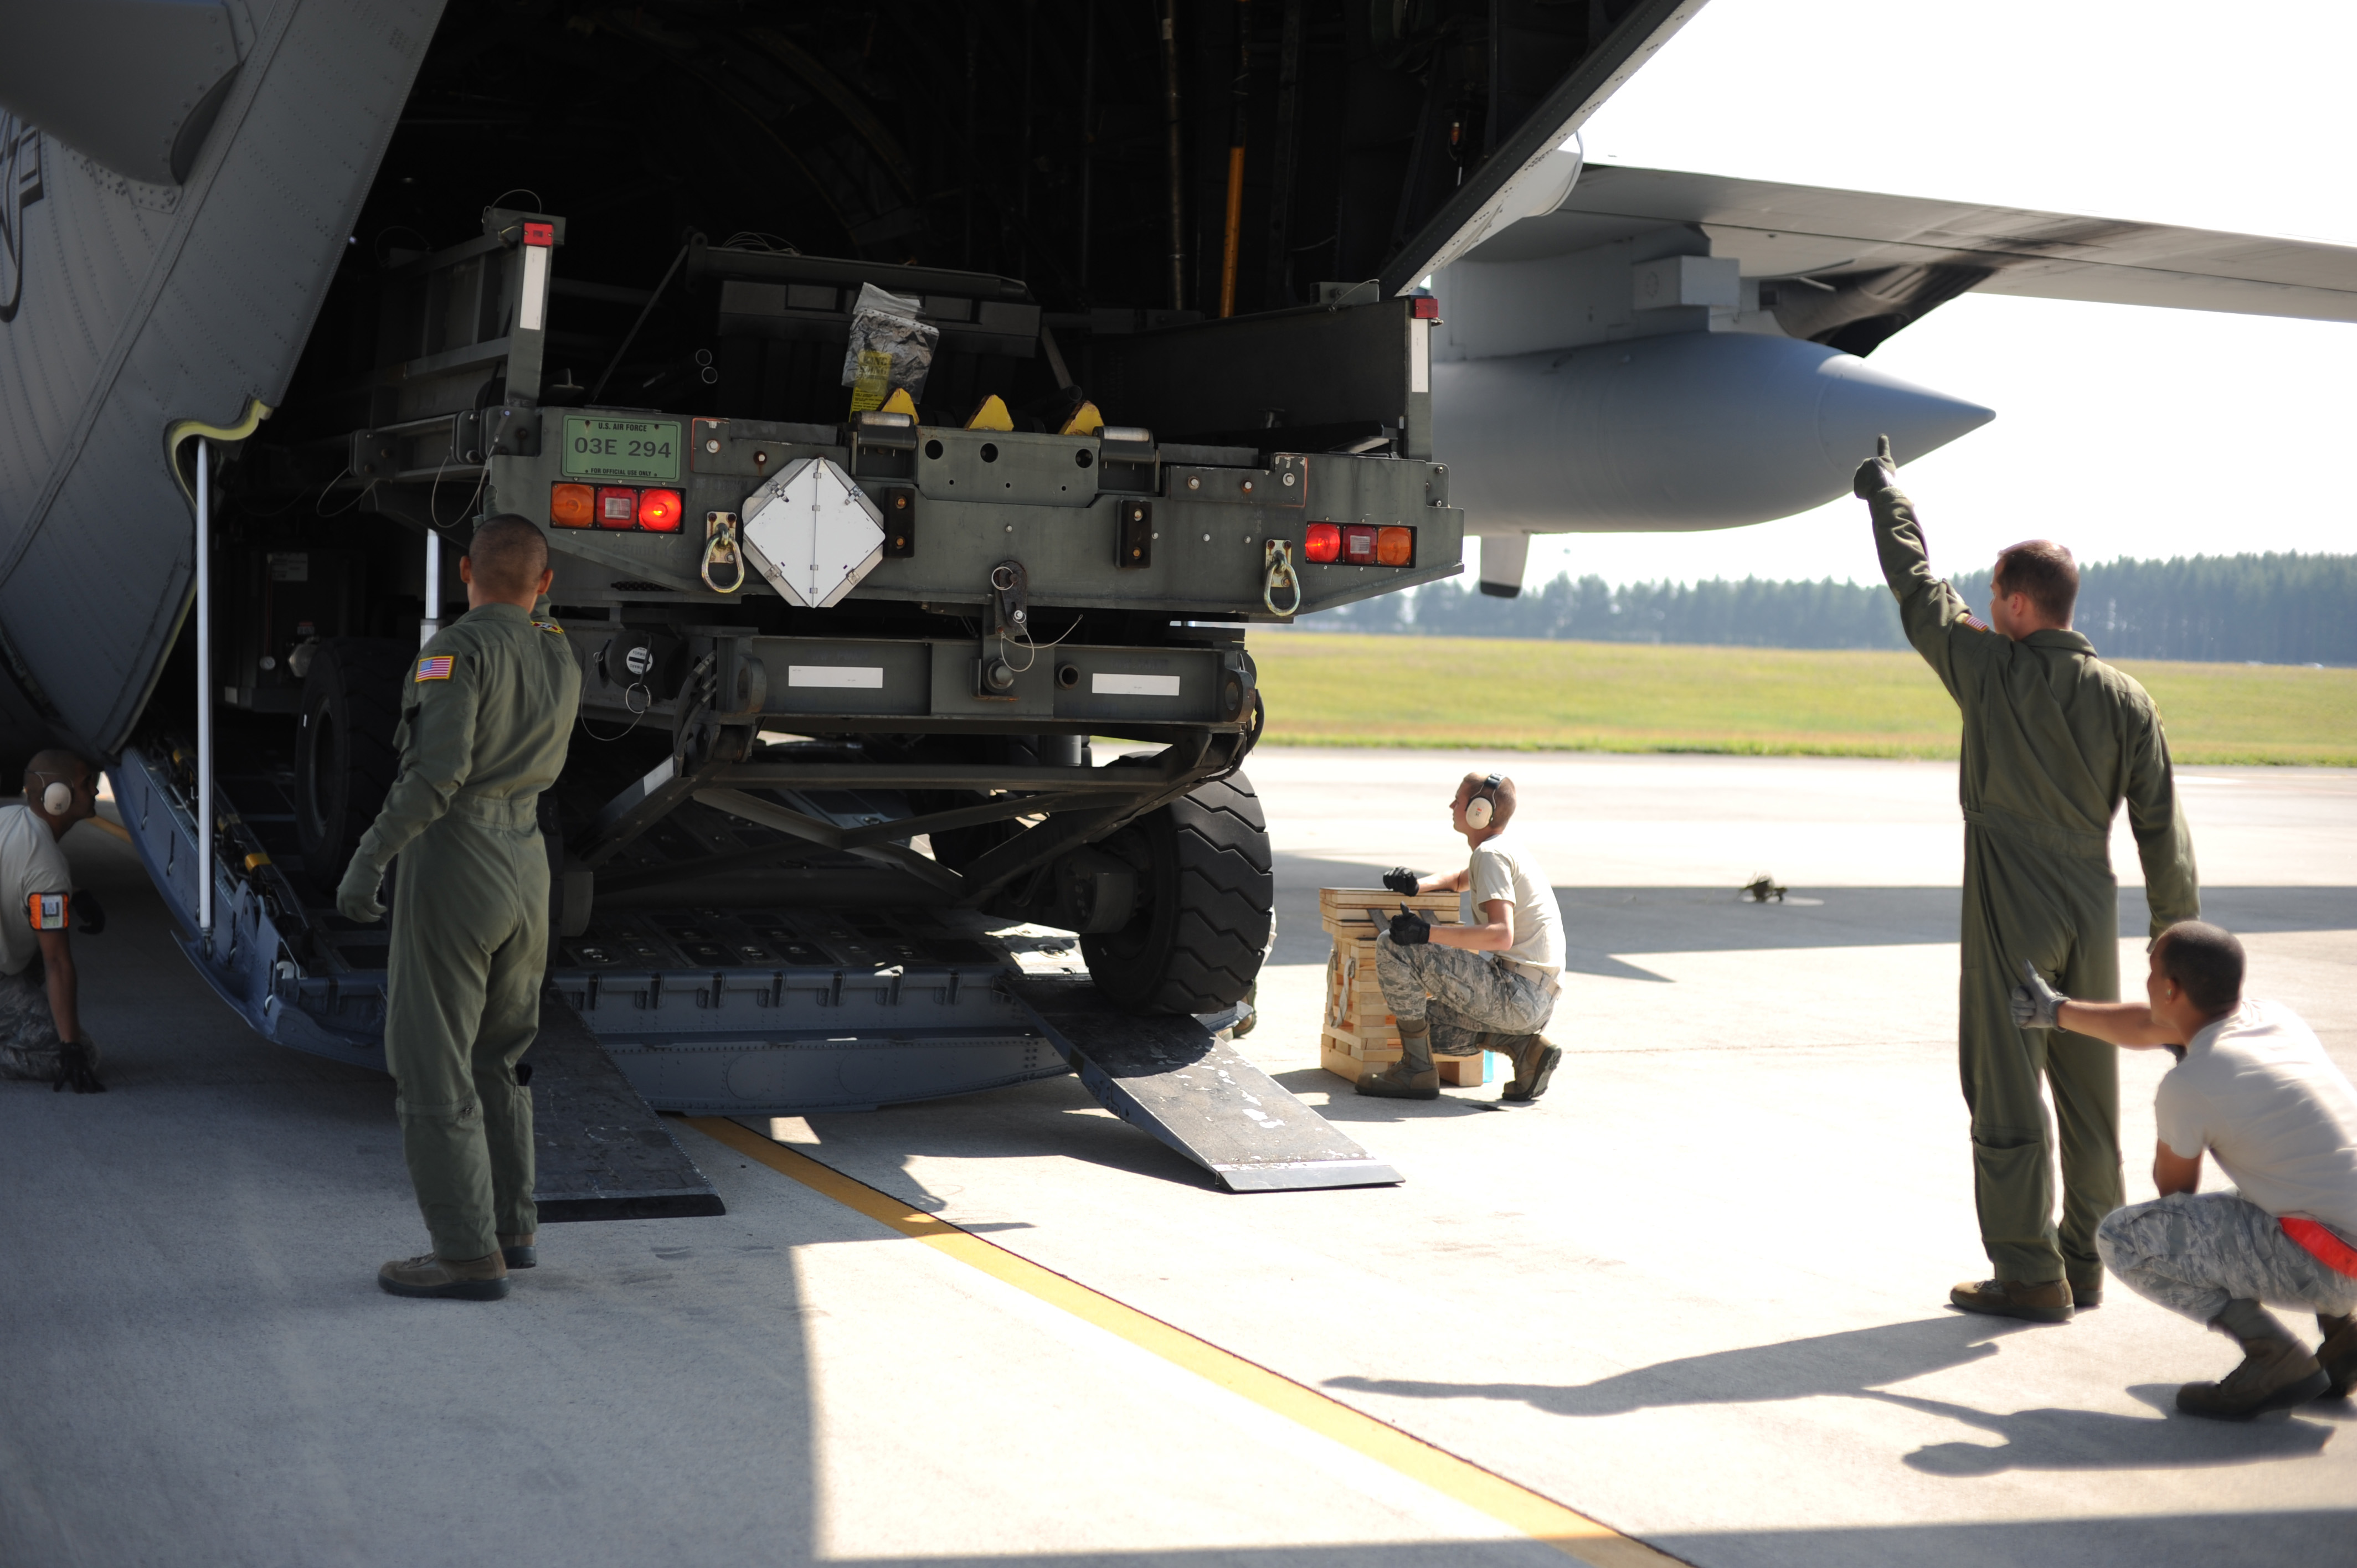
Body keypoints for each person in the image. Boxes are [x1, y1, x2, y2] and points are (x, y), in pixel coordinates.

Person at [1856, 435, 2199, 1323]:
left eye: (1996, 594)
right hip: (2096, 898)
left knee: (2006, 1080)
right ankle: (2087, 1263)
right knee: (2090, 1091)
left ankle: (2028, 1272)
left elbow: (1918, 587)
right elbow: (2163, 831)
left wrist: (1883, 492)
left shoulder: (1990, 669)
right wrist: (2177, 949)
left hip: (2017, 902)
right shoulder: (2128, 698)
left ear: (2013, 604)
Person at [338, 515, 580, 1301]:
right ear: (546, 585)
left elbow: (435, 776)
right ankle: (513, 1230)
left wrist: (368, 860)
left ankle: (464, 1256)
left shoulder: (455, 651)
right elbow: (531, 611)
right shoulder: (558, 653)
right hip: (528, 865)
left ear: (464, 571)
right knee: (498, 1057)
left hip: (458, 861)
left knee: (432, 1063)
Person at [2014, 922, 2357, 1418]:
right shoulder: (2274, 1018)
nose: (2148, 983)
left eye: (2153, 973)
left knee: (2126, 1237)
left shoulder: (2193, 1082)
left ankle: (2273, 1357)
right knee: (2280, 1185)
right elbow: (2147, 1025)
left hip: (2333, 1264)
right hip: (2344, 1237)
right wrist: (2056, 1012)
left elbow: (2176, 1196)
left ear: (2171, 989)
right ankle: (2345, 1341)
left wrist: (2180, 1119)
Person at [1358, 772, 1565, 1103]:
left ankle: (1416, 1072)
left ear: (1479, 811)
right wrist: (1415, 885)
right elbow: (1457, 880)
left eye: (1459, 799)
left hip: (1517, 992)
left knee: (1393, 946)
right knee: (1429, 1027)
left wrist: (1425, 934)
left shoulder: (1491, 856)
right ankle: (1525, 1048)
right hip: (1534, 998)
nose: (1452, 805)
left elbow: (1501, 936)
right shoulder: (1502, 850)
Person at [0, 750, 106, 1092]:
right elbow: (57, 962)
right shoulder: (47, 867)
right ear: (58, 795)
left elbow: (21, 879)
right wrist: (70, 1046)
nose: (96, 792)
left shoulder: (9, 818)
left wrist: (75, 894)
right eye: (88, 783)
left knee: (29, 954)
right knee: (87, 1056)